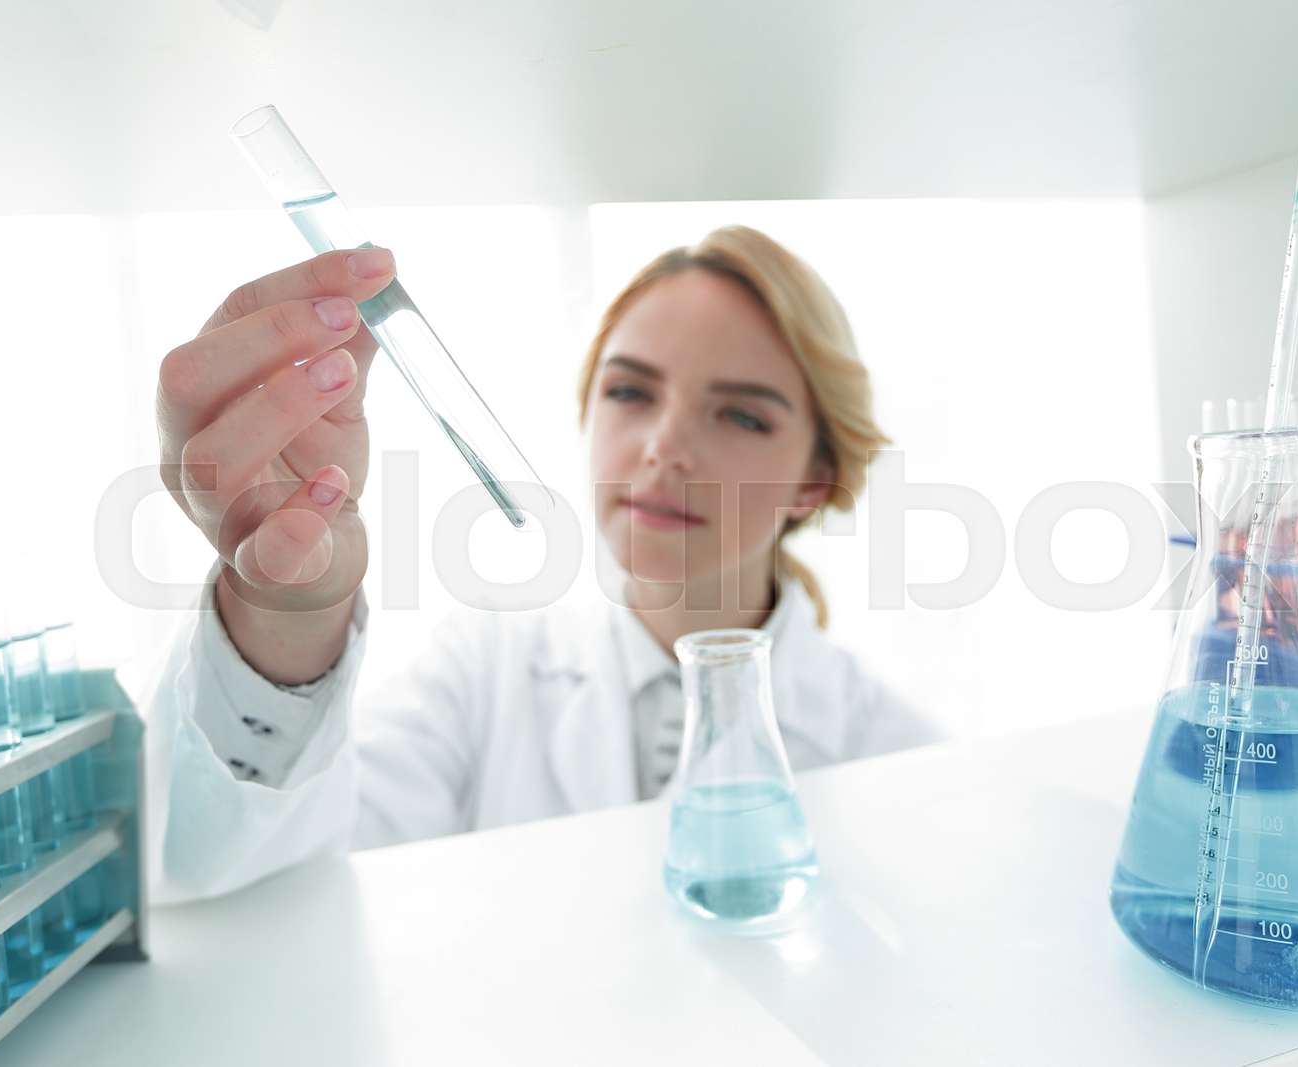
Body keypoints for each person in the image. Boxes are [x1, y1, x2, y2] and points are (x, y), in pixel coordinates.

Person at [145, 225, 942, 904]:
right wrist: (286, 613)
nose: (663, 447)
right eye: (630, 392)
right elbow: (244, 881)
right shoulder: (480, 676)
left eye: (739, 413)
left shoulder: (902, 759)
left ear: (815, 479)